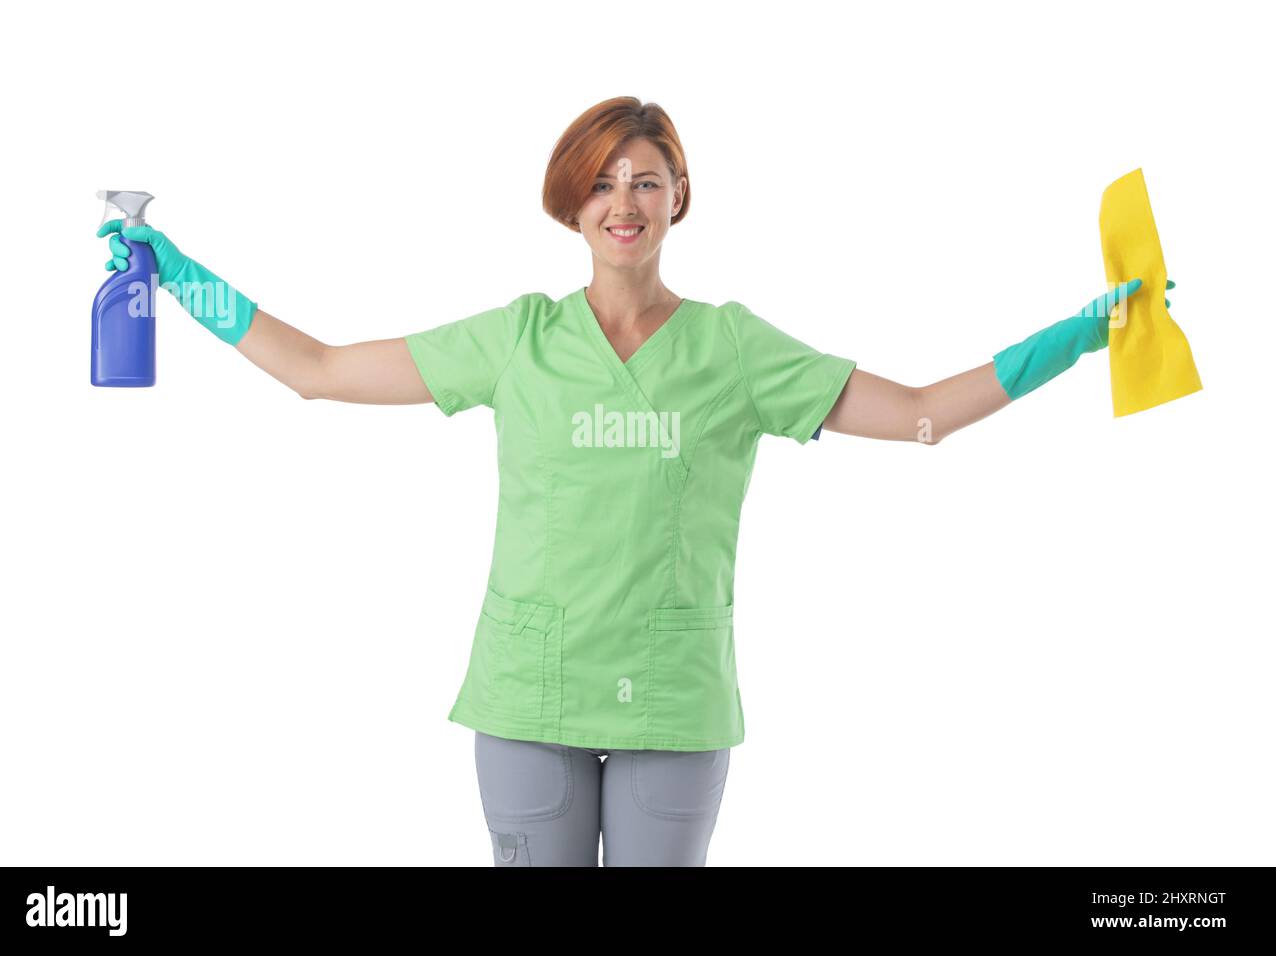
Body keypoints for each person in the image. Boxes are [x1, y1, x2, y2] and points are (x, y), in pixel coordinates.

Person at [97, 96, 1166, 867]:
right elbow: (318, 372)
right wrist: (173, 265)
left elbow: (922, 414)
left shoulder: (734, 350)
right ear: (572, 199)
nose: (624, 200)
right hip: (529, 695)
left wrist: (1074, 337)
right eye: (603, 180)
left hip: (672, 700)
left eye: (645, 180)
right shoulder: (516, 339)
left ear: (677, 197)